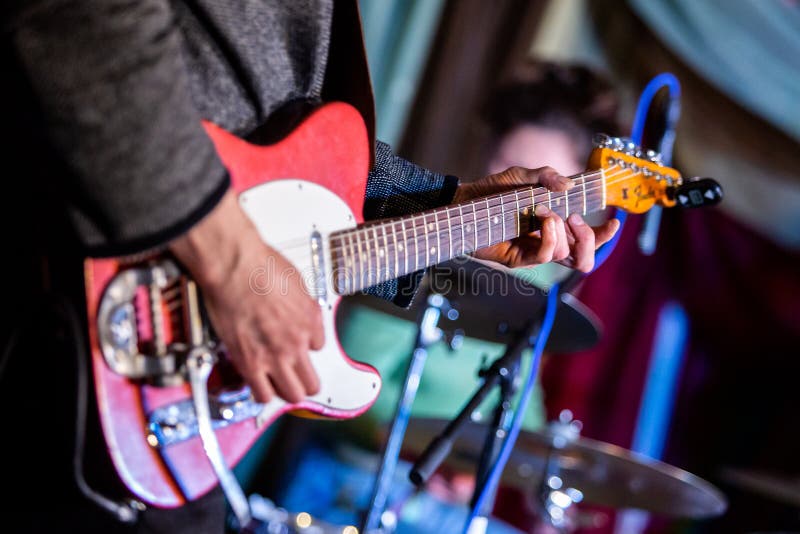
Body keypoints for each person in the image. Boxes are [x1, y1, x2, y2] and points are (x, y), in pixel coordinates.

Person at [1, 2, 619, 533]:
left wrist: (446, 205)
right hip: (85, 294)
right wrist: (230, 255)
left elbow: (286, 134)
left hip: (174, 370)